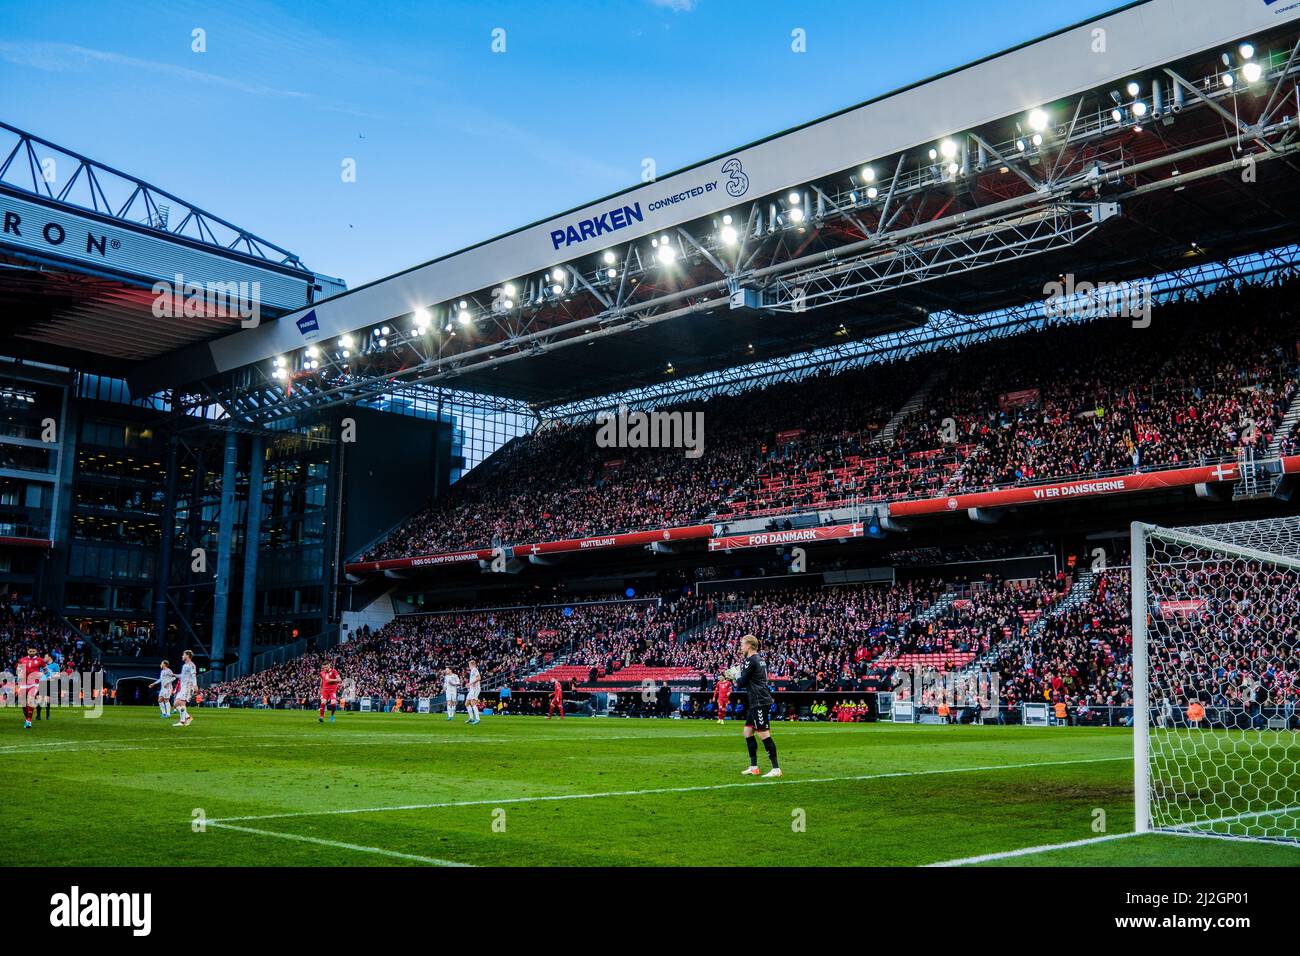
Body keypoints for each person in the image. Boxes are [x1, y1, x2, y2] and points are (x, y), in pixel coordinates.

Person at [735, 634, 781, 778]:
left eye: (742, 644)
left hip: (759, 700)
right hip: (758, 699)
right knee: (747, 732)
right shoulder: (760, 659)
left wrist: (735, 675)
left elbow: (741, 682)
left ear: (749, 645)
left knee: (763, 734)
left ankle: (776, 768)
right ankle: (754, 767)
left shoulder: (751, 660)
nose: (741, 647)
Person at [17, 645, 43, 730]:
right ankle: (27, 718)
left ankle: (29, 720)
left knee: (30, 699)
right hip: (24, 684)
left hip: (34, 684)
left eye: (33, 651)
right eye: (30, 651)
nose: (32, 653)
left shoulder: (40, 660)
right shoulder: (22, 660)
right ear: (28, 651)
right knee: (23, 703)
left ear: (36, 651)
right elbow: (18, 671)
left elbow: (45, 671)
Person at [173, 650, 197, 727]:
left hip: (188, 686)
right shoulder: (184, 665)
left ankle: (182, 722)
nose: (182, 656)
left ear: (187, 655)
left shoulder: (191, 665)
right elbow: (182, 676)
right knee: (175, 704)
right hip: (183, 687)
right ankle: (188, 717)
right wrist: (173, 675)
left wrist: (195, 685)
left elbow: (193, 675)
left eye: (183, 655)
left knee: (182, 702)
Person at [465, 659, 481, 726]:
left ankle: (477, 719)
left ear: (471, 664)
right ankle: (471, 718)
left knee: (473, 703)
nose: (469, 666)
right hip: (472, 689)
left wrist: (470, 683)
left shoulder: (474, 669)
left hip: (475, 689)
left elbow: (479, 678)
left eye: (469, 665)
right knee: (467, 703)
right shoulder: (472, 670)